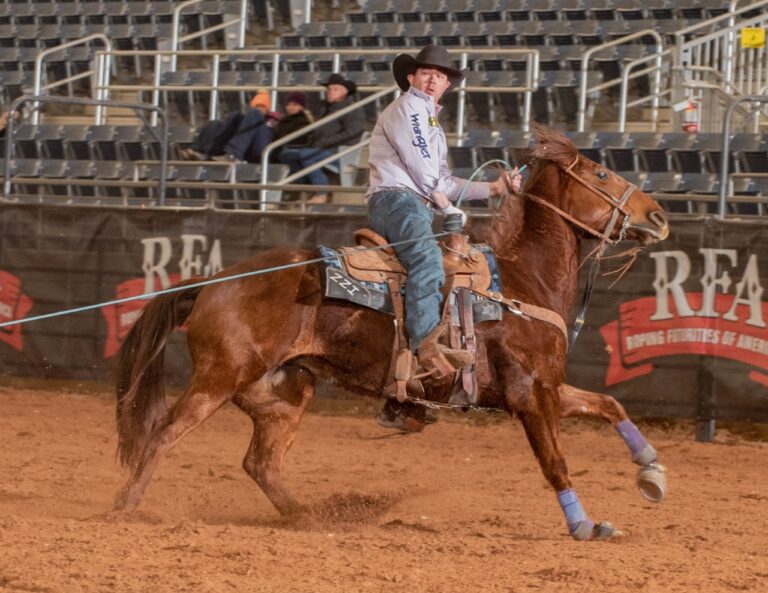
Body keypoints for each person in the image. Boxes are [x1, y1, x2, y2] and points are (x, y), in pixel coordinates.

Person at [365, 45, 522, 429]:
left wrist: (493, 189)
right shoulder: (410, 109)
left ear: (448, 84)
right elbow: (428, 177)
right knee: (428, 262)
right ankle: (424, 354)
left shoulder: (429, 120)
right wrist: (444, 204)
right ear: (411, 78)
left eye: (440, 74)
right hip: (399, 201)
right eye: (426, 72)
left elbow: (444, 182)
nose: (433, 78)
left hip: (411, 201)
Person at [279, 73, 365, 203]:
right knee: (287, 154)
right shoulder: (325, 108)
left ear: (345, 91)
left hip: (340, 152)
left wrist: (325, 142)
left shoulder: (353, 109)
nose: (330, 92)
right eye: (329, 89)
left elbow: (352, 133)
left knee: (307, 155)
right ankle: (297, 190)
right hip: (321, 148)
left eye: (335, 89)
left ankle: (321, 193)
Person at [181, 89, 278, 163]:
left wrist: (260, 117)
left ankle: (233, 155)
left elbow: (271, 132)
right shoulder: (249, 118)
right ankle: (203, 152)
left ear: (268, 109)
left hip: (264, 149)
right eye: (257, 106)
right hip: (247, 148)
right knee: (218, 122)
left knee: (254, 114)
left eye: (262, 106)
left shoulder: (273, 119)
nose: (259, 109)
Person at [271, 91, 314, 162]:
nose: (291, 107)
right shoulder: (284, 120)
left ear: (302, 107)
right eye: (289, 104)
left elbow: (296, 139)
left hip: (290, 149)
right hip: (278, 149)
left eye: (295, 105)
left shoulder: (304, 121)